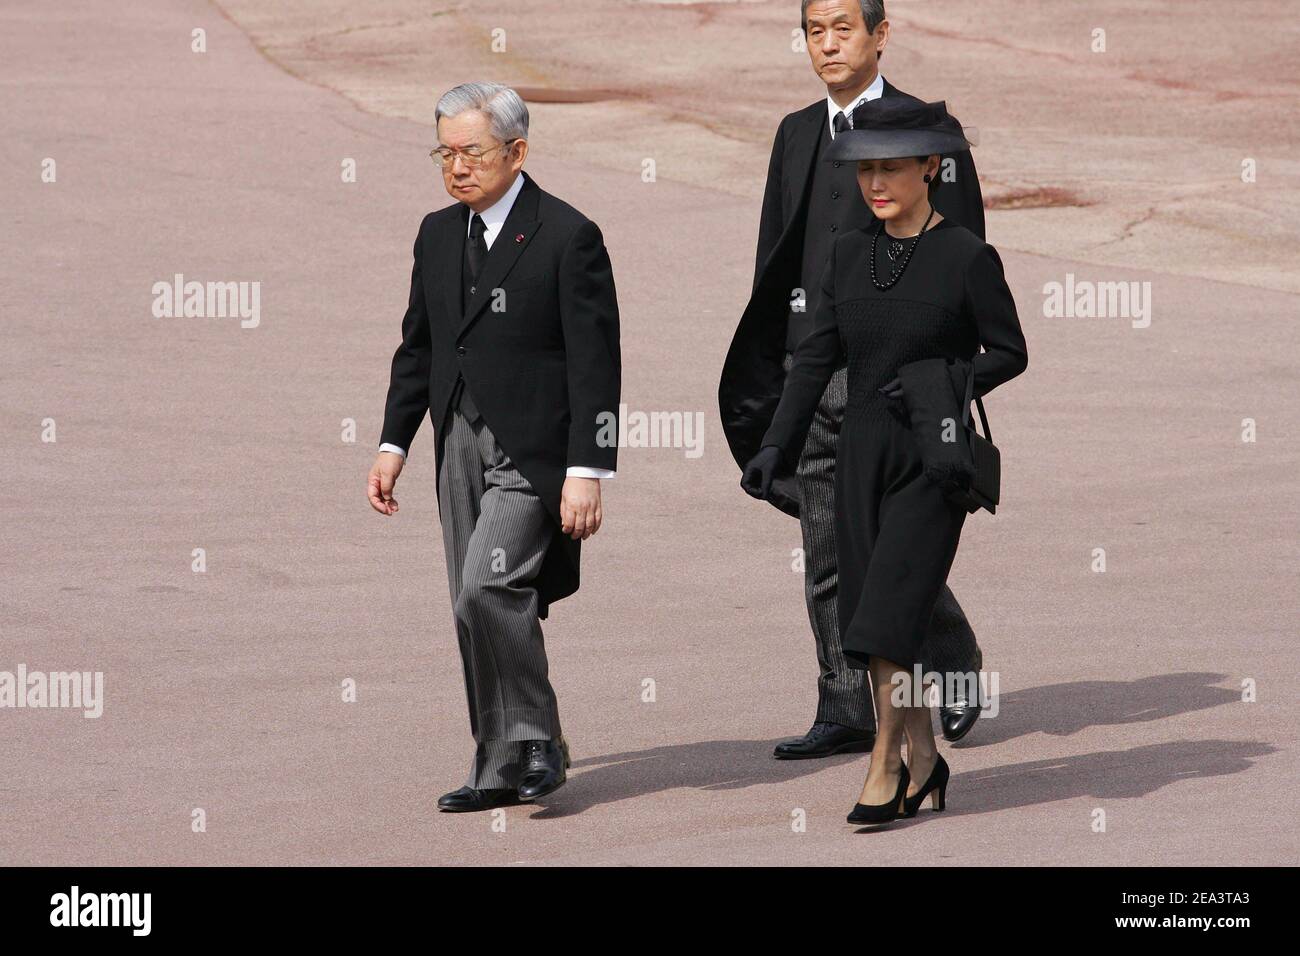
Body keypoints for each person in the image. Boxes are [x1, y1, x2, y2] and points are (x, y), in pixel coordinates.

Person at [740, 97, 1027, 823]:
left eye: (891, 168)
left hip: (932, 461)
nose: (875, 183)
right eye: (866, 169)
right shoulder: (846, 254)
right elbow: (815, 359)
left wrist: (945, 381)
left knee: (884, 622)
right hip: (858, 458)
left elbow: (1010, 352)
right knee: (875, 625)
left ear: (931, 166)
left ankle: (884, 766)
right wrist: (774, 444)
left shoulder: (966, 256)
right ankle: (926, 760)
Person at [718, 0, 988, 758]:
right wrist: (774, 374)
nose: (828, 43)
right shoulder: (797, 132)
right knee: (827, 540)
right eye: (814, 30)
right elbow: (775, 260)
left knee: (892, 540)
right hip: (812, 367)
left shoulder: (929, 130)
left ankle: (957, 665)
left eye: (844, 27)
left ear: (880, 35)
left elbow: (962, 255)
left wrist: (946, 380)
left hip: (895, 373)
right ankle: (846, 704)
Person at [367, 82, 621, 812]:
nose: (456, 166)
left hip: (534, 456)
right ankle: (498, 766)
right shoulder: (436, 234)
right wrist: (395, 444)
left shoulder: (568, 236)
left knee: (490, 585)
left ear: (517, 151)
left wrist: (587, 470)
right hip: (457, 443)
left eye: (470, 151)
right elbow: (418, 347)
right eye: (443, 152)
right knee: (466, 604)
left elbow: (596, 363)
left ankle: (539, 738)